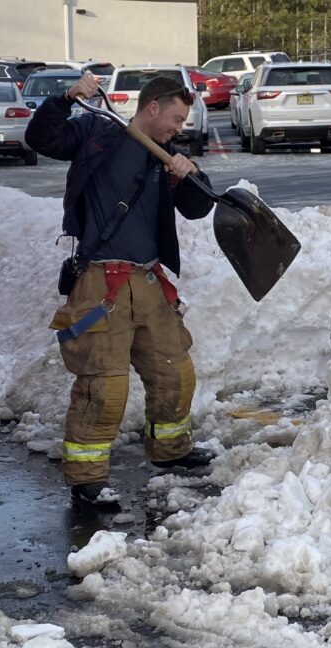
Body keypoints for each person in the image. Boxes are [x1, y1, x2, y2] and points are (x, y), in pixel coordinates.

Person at [25, 72, 215, 512]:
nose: (180, 127)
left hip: (149, 281)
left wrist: (189, 173)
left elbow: (199, 207)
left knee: (174, 371)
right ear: (152, 108)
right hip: (100, 282)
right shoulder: (97, 132)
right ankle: (87, 482)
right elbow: (42, 137)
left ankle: (172, 451)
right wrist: (66, 99)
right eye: (176, 117)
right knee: (104, 386)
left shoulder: (166, 154)